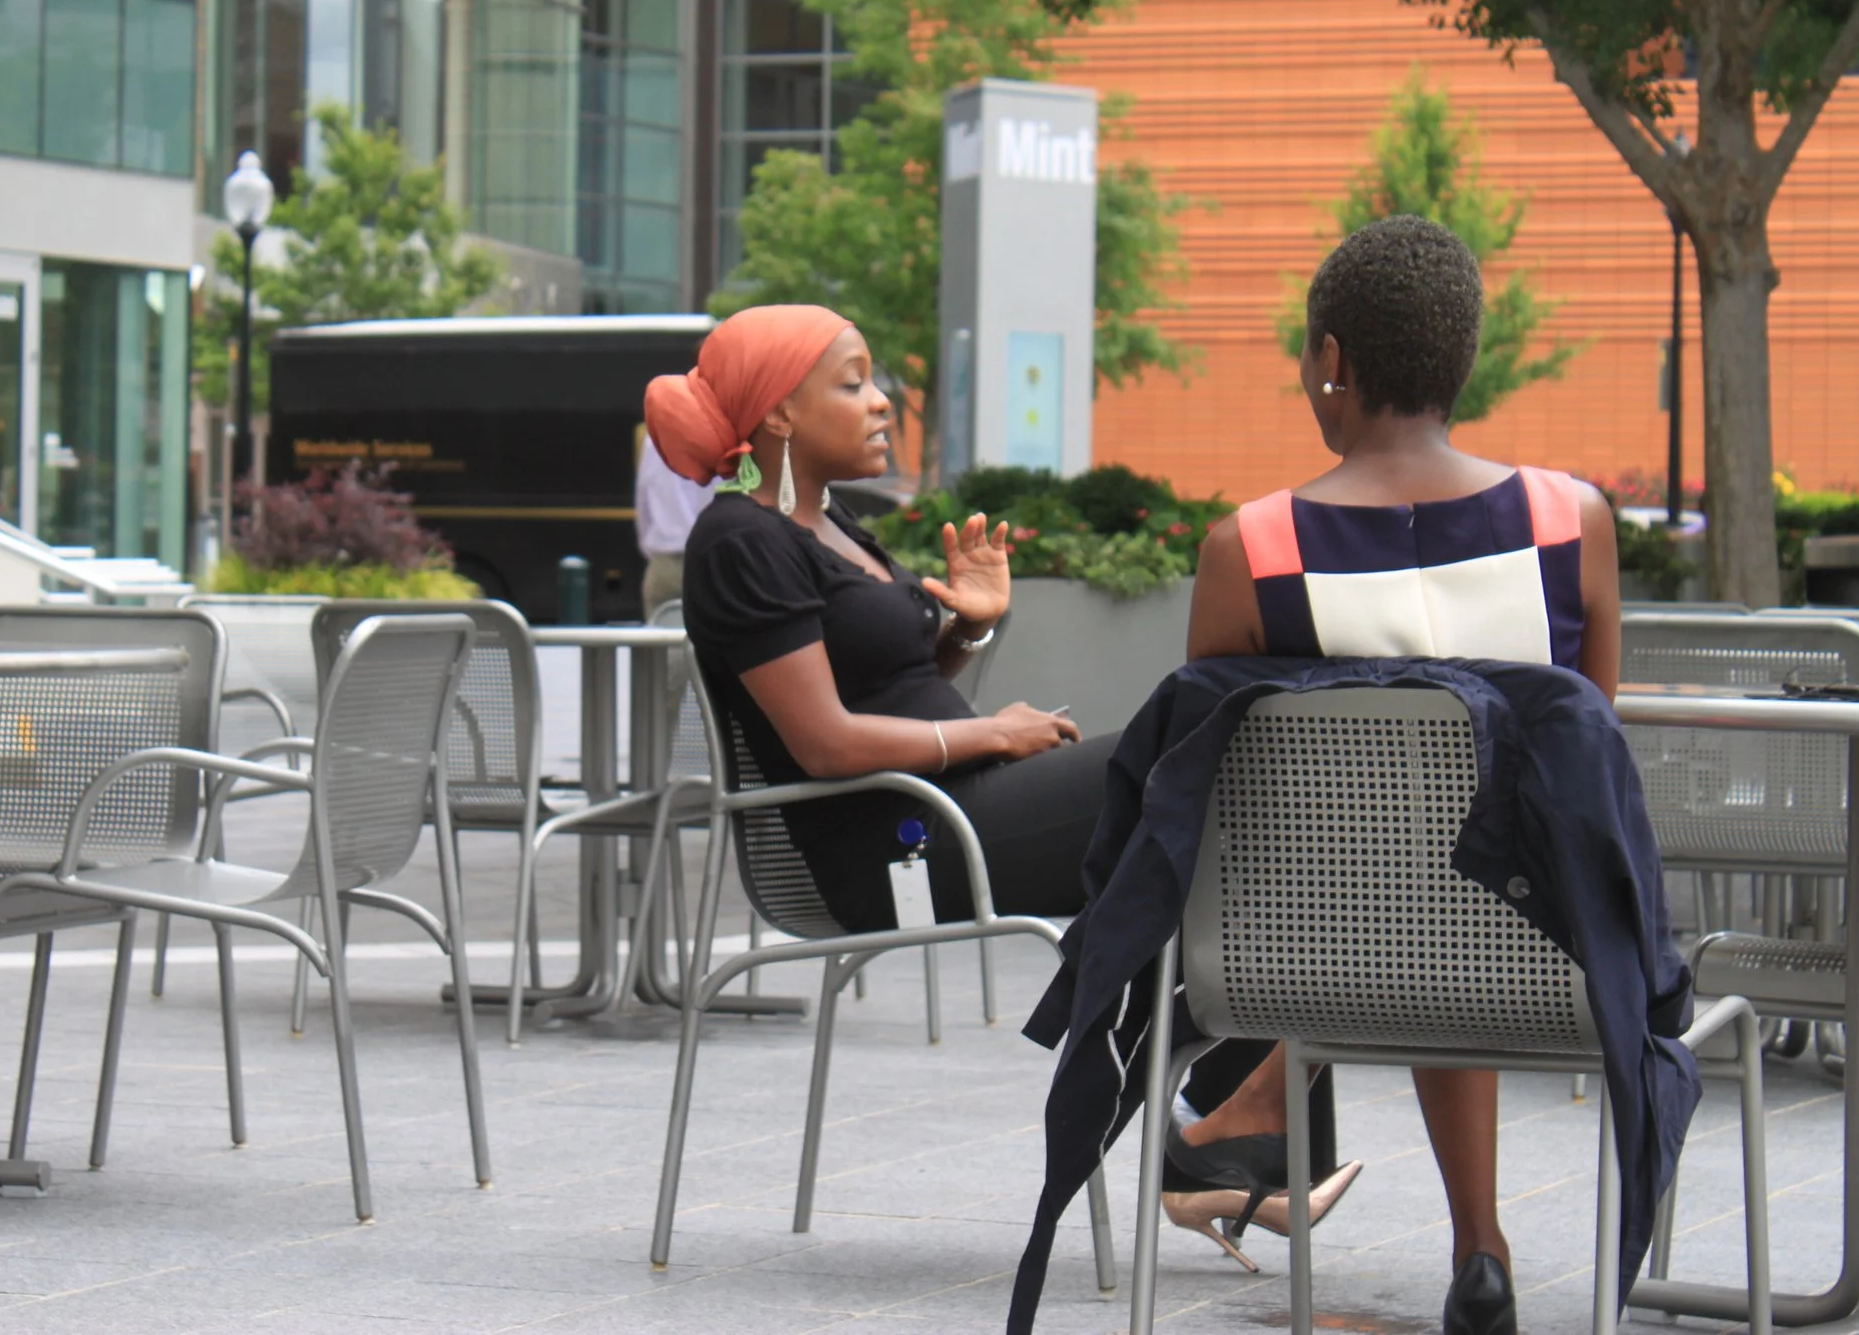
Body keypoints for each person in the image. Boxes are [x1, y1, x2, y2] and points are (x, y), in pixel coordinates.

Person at [1175, 216, 1623, 1335]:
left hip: (1312, 956)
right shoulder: (1572, 523)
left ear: (1331, 358)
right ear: (1462, 358)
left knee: (1411, 887)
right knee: (1465, 875)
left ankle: (1249, 1108)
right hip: (1553, 956)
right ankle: (1479, 1241)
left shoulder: (1253, 547)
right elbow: (1591, 752)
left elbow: (1218, 782)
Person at [644, 304, 1107, 933]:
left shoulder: (832, 525)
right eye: (852, 383)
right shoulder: (742, 542)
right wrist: (995, 734)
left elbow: (885, 689)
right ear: (780, 411)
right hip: (900, 842)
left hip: (958, 807)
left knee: (1201, 802)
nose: (883, 402)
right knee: (1184, 758)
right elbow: (826, 743)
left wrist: (968, 630)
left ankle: (1197, 1021)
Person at [636, 425, 715, 616]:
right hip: (709, 561)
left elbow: (643, 502)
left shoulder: (653, 443)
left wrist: (651, 550)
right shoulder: (717, 444)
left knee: (659, 640)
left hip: (665, 561)